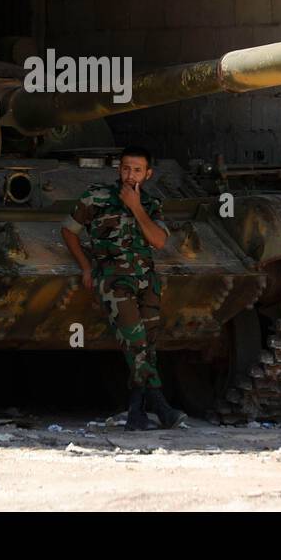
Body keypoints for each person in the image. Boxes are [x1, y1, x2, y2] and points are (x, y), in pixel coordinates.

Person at [61, 145, 186, 430]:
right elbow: (68, 231)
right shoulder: (96, 197)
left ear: (148, 174)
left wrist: (136, 207)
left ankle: (135, 414)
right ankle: (159, 404)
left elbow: (158, 241)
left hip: (146, 281)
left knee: (147, 347)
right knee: (136, 342)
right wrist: (86, 266)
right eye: (126, 169)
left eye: (137, 170)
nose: (131, 175)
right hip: (115, 281)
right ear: (119, 170)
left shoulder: (152, 204)